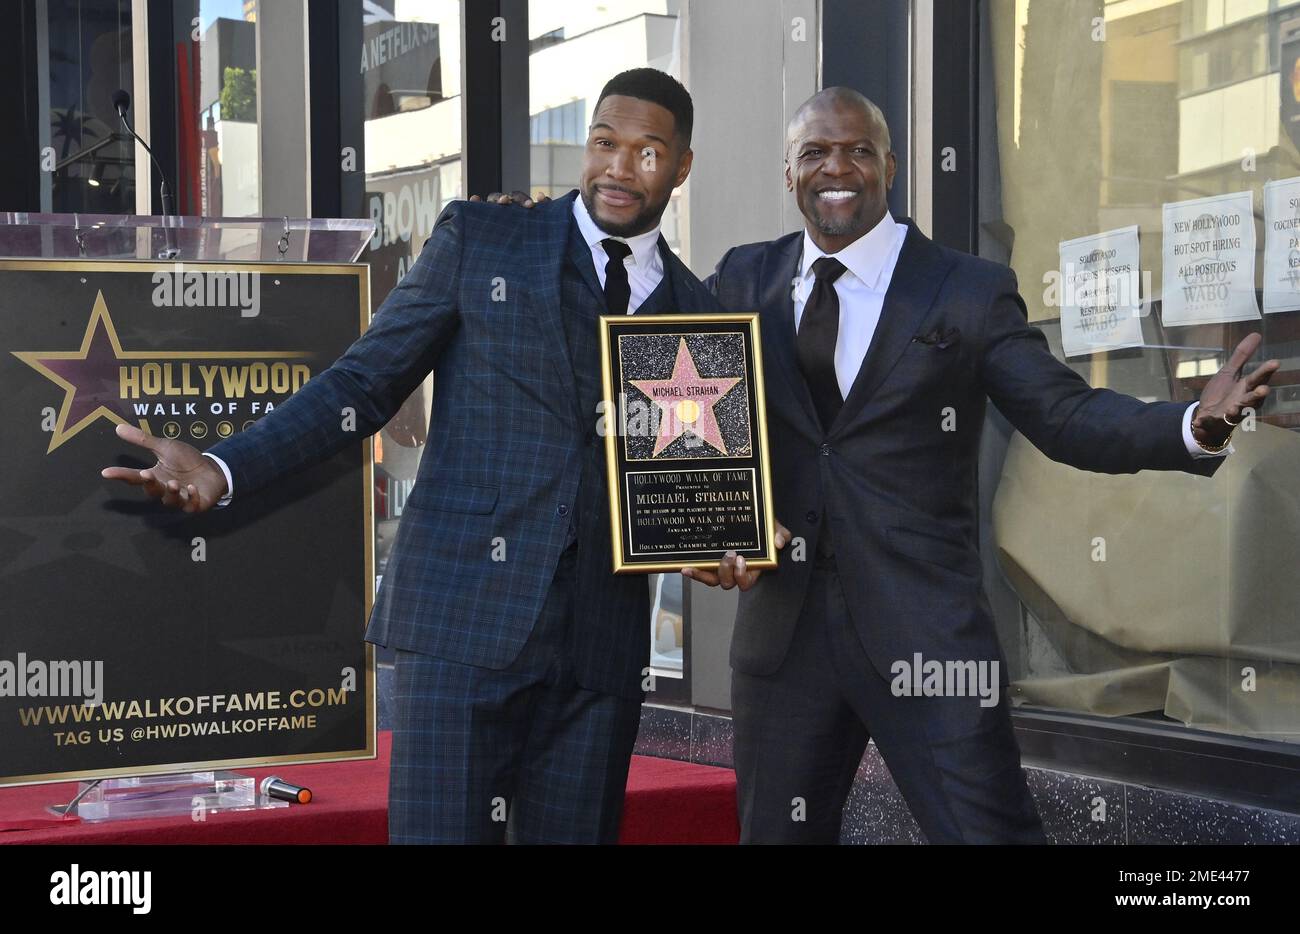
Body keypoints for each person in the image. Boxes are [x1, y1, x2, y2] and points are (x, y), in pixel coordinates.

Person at [100, 67, 721, 844]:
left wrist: (715, 544)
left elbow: (690, 484)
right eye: (604, 143)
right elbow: (363, 382)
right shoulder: (485, 236)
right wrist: (227, 467)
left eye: (647, 152)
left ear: (682, 166)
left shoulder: (700, 315)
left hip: (599, 661)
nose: (619, 169)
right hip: (459, 631)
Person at [687, 87, 1278, 843]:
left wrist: (1191, 425)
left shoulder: (963, 288)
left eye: (859, 150)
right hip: (782, 638)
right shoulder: (743, 280)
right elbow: (673, 390)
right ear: (789, 174)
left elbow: (1063, 415)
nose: (837, 167)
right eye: (815, 153)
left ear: (890, 167)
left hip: (927, 636)